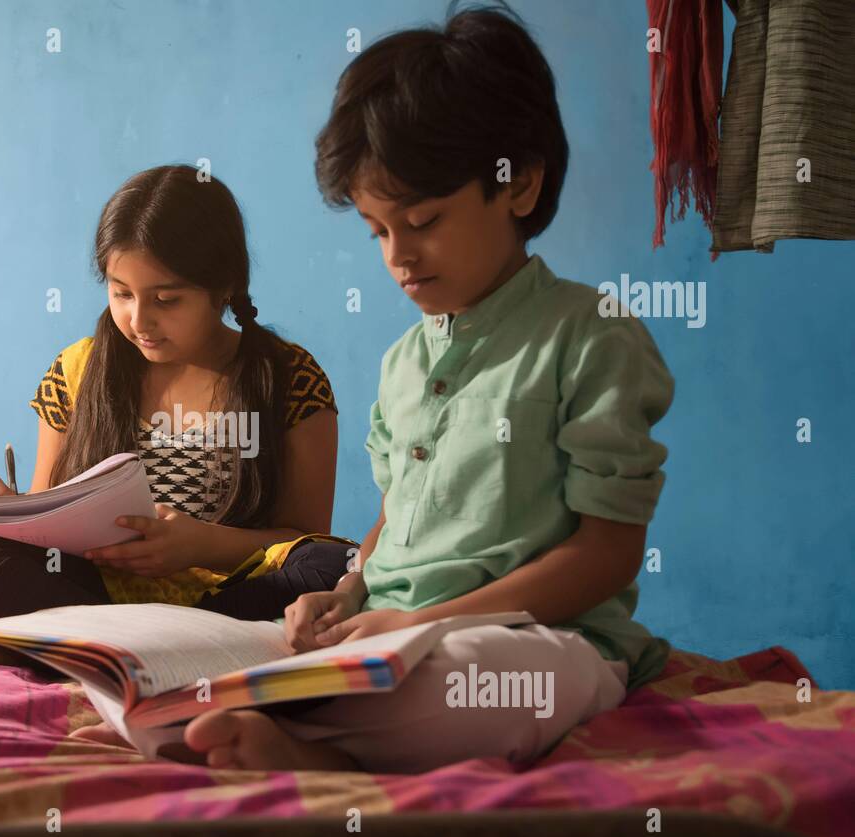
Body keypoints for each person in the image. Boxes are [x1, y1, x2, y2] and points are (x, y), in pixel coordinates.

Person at [95, 5, 677, 773]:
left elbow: (606, 555)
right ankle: (257, 724)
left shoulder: (592, 336)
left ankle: (299, 744)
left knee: (508, 684)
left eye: (423, 220)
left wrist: (423, 621)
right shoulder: (404, 359)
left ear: (521, 184)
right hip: (379, 633)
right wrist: (349, 589)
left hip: (531, 641)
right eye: (377, 231)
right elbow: (394, 516)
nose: (399, 256)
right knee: (142, 662)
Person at [0, 165, 355, 661]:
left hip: (226, 598)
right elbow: (46, 518)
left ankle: (75, 646)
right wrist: (8, 516)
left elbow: (303, 540)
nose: (139, 320)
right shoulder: (76, 370)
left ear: (224, 287)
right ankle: (139, 648)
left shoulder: (289, 377)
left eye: (166, 299)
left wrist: (200, 544)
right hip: (97, 591)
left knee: (333, 564)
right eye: (121, 293)